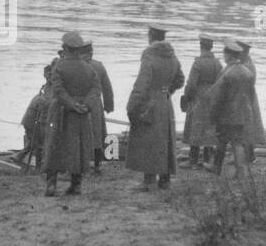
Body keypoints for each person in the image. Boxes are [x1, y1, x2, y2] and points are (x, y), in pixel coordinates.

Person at [125, 23, 184, 190]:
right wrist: (167, 91)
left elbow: (142, 83)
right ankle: (165, 180)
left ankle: (148, 180)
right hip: (165, 102)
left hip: (149, 102)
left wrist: (132, 106)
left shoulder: (149, 55)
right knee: (165, 139)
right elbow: (180, 80)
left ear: (150, 36)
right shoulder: (172, 56)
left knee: (147, 138)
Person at [44, 33, 102, 196]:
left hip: (61, 112)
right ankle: (76, 185)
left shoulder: (59, 67)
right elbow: (96, 89)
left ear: (65, 48)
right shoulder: (88, 68)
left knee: (54, 145)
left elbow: (58, 90)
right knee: (78, 147)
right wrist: (85, 104)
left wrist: (71, 104)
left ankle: (51, 185)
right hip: (81, 114)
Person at [207, 39, 258, 178]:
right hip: (242, 114)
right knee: (237, 142)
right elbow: (251, 96)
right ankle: (240, 171)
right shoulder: (248, 72)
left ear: (229, 55)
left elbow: (217, 97)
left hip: (226, 114)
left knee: (221, 140)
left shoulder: (226, 72)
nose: (224, 56)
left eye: (225, 54)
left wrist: (213, 116)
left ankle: (216, 167)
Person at [180, 34, 221, 168]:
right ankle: (207, 159)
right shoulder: (217, 62)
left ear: (201, 46)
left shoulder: (198, 62)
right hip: (213, 96)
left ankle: (192, 160)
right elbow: (221, 81)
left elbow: (191, 84)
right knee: (209, 126)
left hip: (199, 97)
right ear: (211, 47)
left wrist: (187, 96)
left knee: (195, 127)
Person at [15, 62, 55, 174]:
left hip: (41, 120)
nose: (51, 77)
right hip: (37, 121)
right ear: (45, 76)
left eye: (52, 75)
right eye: (48, 75)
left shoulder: (52, 88)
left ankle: (24, 159)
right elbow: (45, 104)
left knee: (37, 144)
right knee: (39, 145)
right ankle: (39, 168)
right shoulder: (45, 89)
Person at [82, 41, 115, 174]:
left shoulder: (77, 65)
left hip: (80, 103)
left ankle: (80, 165)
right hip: (96, 104)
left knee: (80, 134)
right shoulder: (99, 66)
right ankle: (97, 166)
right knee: (97, 135)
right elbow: (107, 88)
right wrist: (108, 105)